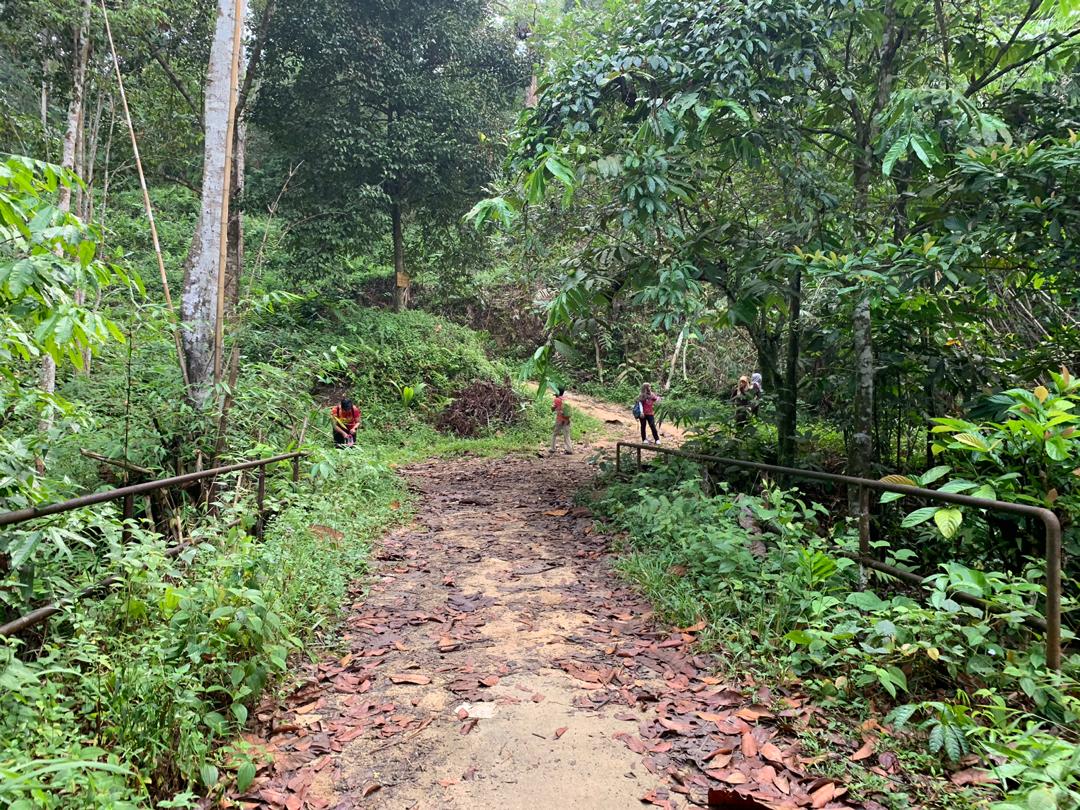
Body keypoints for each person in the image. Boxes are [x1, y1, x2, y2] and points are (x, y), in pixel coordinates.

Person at [550, 387, 572, 455]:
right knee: (567, 435)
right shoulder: (565, 399)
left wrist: (553, 407)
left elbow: (553, 409)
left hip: (559, 420)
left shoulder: (557, 400)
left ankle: (553, 449)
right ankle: (569, 449)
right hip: (567, 420)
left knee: (554, 434)